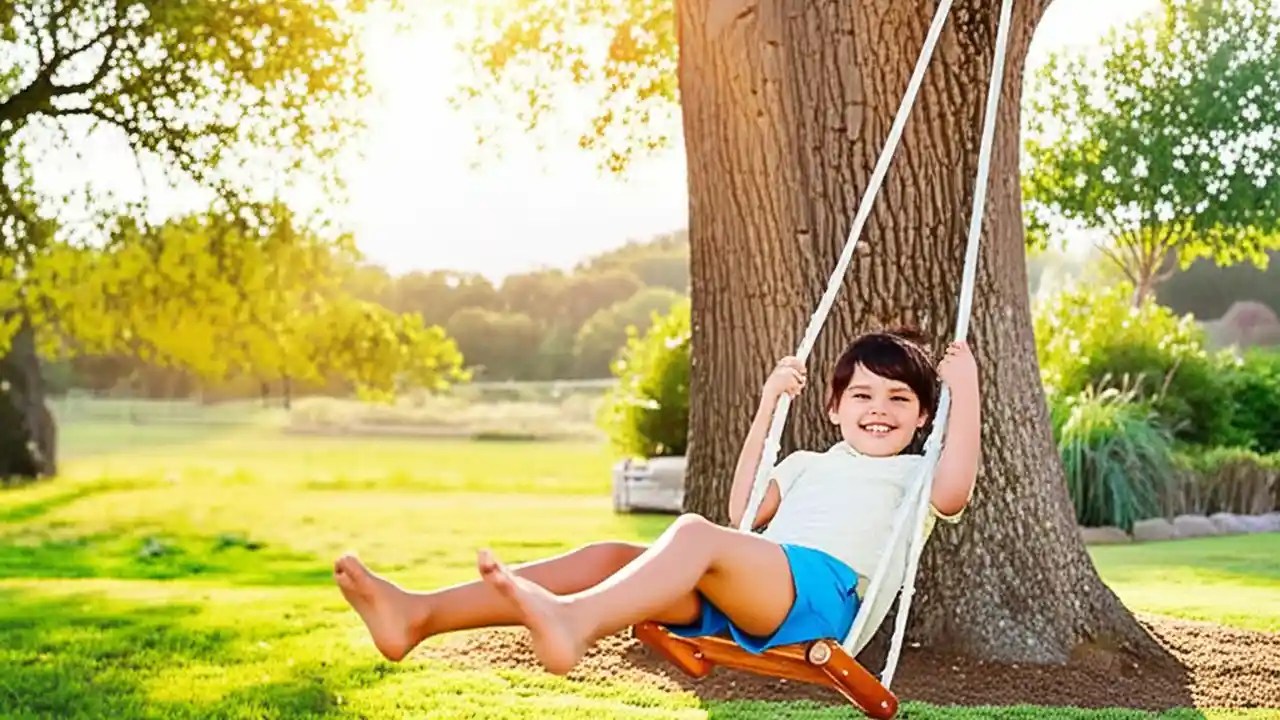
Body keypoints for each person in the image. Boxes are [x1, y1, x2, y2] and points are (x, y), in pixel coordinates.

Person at [333, 330, 981, 676]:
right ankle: (417, 616)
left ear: (924, 418)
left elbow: (956, 491)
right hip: (759, 583)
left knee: (695, 536)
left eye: (900, 400)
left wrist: (967, 389)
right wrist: (766, 406)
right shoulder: (807, 463)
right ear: (835, 407)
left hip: (825, 598)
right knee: (607, 555)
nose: (879, 411)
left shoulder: (915, 475)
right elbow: (745, 509)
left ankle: (574, 622)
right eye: (864, 396)